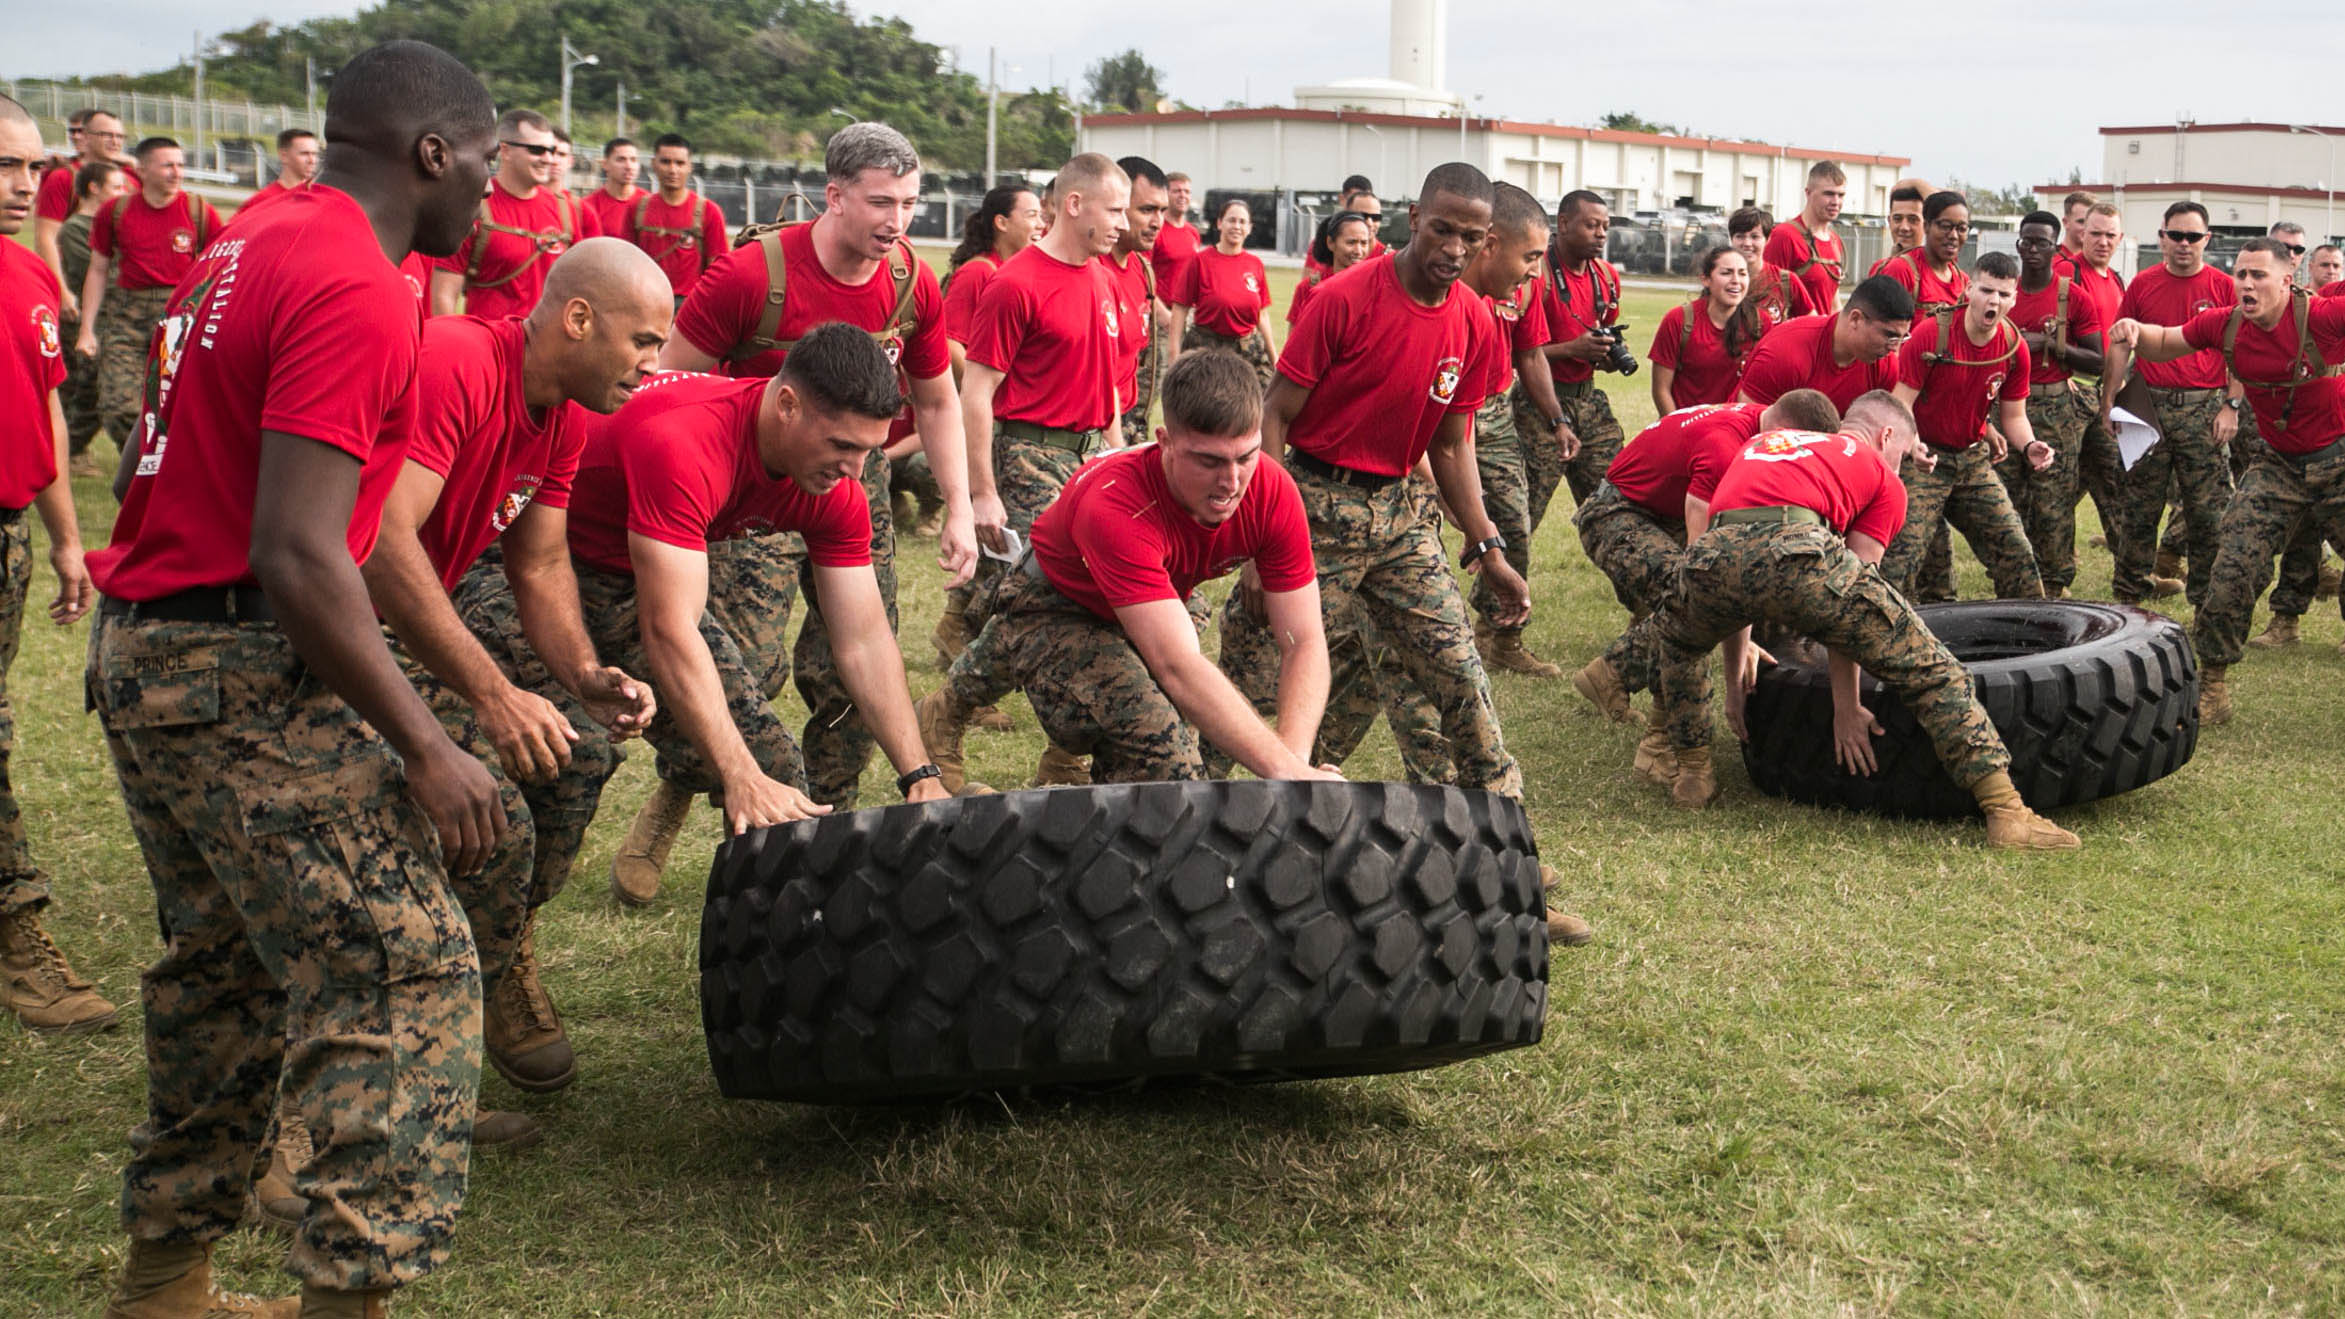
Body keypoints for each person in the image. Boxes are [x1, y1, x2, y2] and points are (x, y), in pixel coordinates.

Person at [86, 41, 501, 1317]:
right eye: (483, 161)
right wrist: (429, 746)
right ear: (431, 154)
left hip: (150, 645)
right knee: (400, 968)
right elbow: (301, 550)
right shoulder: (356, 285)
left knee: (229, 967)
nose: (491, 190)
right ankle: (347, 1297)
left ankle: (166, 1278)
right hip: (234, 657)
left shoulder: (254, 236)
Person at [1215, 161, 1586, 945]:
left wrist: (1486, 547)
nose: (1453, 248)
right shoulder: (1342, 298)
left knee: (1463, 686)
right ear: (1412, 218)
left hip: (1400, 517)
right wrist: (1260, 539)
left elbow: (1452, 447)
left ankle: (1511, 880)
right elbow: (1274, 419)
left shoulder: (1475, 323)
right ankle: (1202, 864)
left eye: (1470, 237)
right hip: (1310, 502)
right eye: (1441, 229)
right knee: (1247, 691)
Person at [629, 121, 976, 895]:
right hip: (742, 479)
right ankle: (686, 787)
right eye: (881, 201)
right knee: (740, 665)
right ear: (834, 194)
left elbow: (936, 399)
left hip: (849, 486)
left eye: (911, 203)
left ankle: (826, 839)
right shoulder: (753, 275)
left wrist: (958, 502)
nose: (898, 220)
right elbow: (664, 387)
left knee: (851, 662)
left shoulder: (910, 281)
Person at [559, 325, 948, 850]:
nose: (854, 471)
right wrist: (737, 775)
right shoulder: (685, 443)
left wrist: (919, 774)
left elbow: (864, 641)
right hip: (538, 560)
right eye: (842, 445)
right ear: (787, 404)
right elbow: (669, 630)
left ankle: (770, 931)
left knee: (775, 771)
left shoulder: (837, 487)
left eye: (868, 451)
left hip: (634, 573)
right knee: (560, 762)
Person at [1640, 392, 2081, 849]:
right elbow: (1849, 604)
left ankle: (1693, 773)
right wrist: (1846, 707)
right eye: (1904, 456)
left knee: (1680, 642)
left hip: (1709, 558)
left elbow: (1739, 562)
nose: (1902, 468)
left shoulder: (1766, 444)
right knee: (1931, 669)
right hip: (1799, 551)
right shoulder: (1882, 478)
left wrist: (1734, 684)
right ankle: (2007, 812)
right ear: (1886, 436)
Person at [919, 350, 1339, 785]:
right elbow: (1177, 667)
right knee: (1165, 758)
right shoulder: (1115, 505)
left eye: (1246, 457)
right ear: (1165, 441)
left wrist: (1295, 762)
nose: (1232, 482)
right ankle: (947, 712)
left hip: (1157, 600)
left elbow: (1303, 640)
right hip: (1054, 602)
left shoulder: (1273, 492)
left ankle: (1069, 775)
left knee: (1158, 717)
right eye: (1209, 461)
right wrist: (1286, 771)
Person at [2108, 238, 2345, 725]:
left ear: (2287, 280)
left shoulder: (2321, 318)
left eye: (2259, 275)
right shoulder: (2225, 322)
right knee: (2232, 565)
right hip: (2277, 464)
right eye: (2240, 274)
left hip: (2338, 457)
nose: (2247, 284)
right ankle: (2211, 685)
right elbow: (2166, 340)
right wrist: (2134, 329)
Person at [960, 152, 1133, 788]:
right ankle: (954, 707)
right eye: (1114, 209)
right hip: (1030, 453)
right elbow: (976, 392)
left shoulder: (1104, 279)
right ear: (1075, 204)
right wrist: (982, 493)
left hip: (1089, 455)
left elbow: (1110, 380)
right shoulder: (1016, 283)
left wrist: (1115, 450)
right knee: (1046, 597)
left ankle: (1063, 759)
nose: (1122, 223)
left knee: (1098, 596)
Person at [1570, 390, 1843, 783]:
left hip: (1658, 513)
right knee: (1694, 607)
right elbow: (1703, 574)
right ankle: (1646, 725)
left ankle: (1618, 684)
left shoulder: (1756, 425)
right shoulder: (1724, 448)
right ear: (1783, 430)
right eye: (1797, 447)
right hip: (1618, 515)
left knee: (1697, 609)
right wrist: (1736, 635)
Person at [0, 96, 106, 1037]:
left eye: (30, 168)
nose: (23, 184)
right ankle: (17, 936)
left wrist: (66, 536)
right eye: (3, 165)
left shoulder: (32, 271)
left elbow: (48, 413)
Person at [1884, 251, 2051, 600]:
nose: (1994, 300)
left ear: (2014, 299)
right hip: (1925, 457)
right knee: (1901, 558)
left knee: (2015, 548)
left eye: (2003, 294)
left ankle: (2029, 632)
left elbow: (2014, 416)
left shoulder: (2013, 346)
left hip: (1972, 460)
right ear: (1969, 290)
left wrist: (2029, 445)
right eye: (1986, 291)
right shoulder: (1932, 334)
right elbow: (1901, 405)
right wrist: (1912, 447)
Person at [2103, 200, 2237, 607]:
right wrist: (2110, 397)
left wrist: (2231, 406)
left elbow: (2241, 350)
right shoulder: (2142, 284)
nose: (2183, 244)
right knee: (2139, 510)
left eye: (2193, 237)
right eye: (2175, 235)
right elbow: (2121, 342)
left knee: (2207, 515)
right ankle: (2130, 599)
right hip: (2148, 406)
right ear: (2161, 237)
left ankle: (2206, 602)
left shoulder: (2224, 287)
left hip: (2204, 409)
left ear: (2207, 240)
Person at [1464, 182, 1573, 679]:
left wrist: (1556, 419)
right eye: (1530, 255)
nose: (1535, 270)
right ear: (1491, 242)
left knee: (1514, 525)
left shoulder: (1524, 286)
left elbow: (1529, 354)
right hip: (1441, 418)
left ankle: (1501, 638)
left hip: (1493, 411)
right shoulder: (1453, 287)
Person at [75, 136, 221, 457]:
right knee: (117, 406)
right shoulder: (115, 212)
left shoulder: (199, 211)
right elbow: (97, 270)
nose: (176, 172)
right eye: (167, 165)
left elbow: (219, 270)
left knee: (176, 403)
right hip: (127, 314)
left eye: (180, 164)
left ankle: (168, 466)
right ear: (141, 169)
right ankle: (148, 462)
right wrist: (87, 329)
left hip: (180, 315)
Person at [1997, 211, 2106, 599]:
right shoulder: (2003, 293)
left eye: (2041, 242)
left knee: (2054, 501)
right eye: (2026, 241)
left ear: (2056, 247)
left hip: (2055, 405)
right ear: (2018, 244)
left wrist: (2050, 345)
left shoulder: (2071, 296)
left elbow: (2098, 360)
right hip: (2006, 406)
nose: (2032, 250)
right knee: (2007, 498)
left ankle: (2055, 584)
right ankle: (2013, 581)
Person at [431, 108, 585, 319]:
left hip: (547, 348)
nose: (548, 159)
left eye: (551, 150)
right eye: (536, 150)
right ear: (505, 151)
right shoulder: (473, 207)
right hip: (491, 346)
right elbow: (443, 295)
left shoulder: (564, 210)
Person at [1525, 190, 1627, 508]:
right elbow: (1521, 353)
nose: (1600, 234)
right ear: (1564, 223)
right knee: (1522, 511)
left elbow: (1603, 332)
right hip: (1539, 402)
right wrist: (1573, 349)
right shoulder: (1536, 273)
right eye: (1592, 225)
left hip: (1588, 399)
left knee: (1616, 502)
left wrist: (1605, 355)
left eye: (1605, 227)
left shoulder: (1606, 276)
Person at [2054, 201, 2139, 580]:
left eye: (2110, 235)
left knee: (2116, 484)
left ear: (2120, 239)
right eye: (2096, 233)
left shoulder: (2117, 280)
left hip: (2105, 398)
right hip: (2069, 397)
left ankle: (2134, 575)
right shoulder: (2066, 272)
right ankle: (2054, 578)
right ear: (2081, 233)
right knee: (2057, 490)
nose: (2103, 241)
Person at [1737, 274, 1916, 411]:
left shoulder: (1884, 363)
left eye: (1902, 338)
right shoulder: (1785, 355)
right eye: (1890, 336)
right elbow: (1746, 421)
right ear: (1856, 319)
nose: (1894, 348)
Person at [55, 159, 127, 477]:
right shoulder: (75, 228)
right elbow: (100, 272)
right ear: (94, 189)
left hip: (112, 319)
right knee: (80, 389)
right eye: (116, 187)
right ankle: (65, 449)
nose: (123, 193)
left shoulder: (113, 225)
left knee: (91, 389)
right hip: (82, 322)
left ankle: (70, 449)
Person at [939, 184, 1042, 383]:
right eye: (1031, 215)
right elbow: (949, 343)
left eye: (1041, 216)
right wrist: (982, 395)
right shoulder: (978, 272)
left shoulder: (1016, 270)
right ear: (1001, 223)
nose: (1040, 225)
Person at [1169, 196, 1274, 387]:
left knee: (1258, 406)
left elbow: (1262, 316)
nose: (1236, 226)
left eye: (1242, 222)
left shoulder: (1255, 264)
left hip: (1247, 349)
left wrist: (1274, 358)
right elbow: (1180, 309)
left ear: (1249, 228)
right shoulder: (1200, 261)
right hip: (1207, 349)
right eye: (1231, 220)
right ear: (1219, 224)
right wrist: (1174, 356)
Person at [32, 107, 127, 313]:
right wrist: (61, 291)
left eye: (119, 136)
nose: (115, 141)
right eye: (106, 135)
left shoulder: (131, 177)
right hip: (77, 282)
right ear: (86, 137)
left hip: (119, 292)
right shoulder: (65, 177)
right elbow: (46, 237)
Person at [1106, 156, 1171, 447]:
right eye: (1147, 210)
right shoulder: (1090, 269)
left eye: (1162, 211)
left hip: (1128, 420)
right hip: (1093, 428)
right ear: (1118, 206)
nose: (1157, 222)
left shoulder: (1141, 269)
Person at [621, 133, 730, 302]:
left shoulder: (709, 211)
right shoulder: (637, 209)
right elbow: (626, 262)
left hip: (690, 305)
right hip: (646, 302)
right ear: (653, 164)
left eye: (680, 163)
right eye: (665, 162)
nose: (672, 170)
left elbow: (718, 271)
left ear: (689, 167)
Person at [1649, 247, 1757, 411]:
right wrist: (1677, 430)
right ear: (1706, 279)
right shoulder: (1678, 320)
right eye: (1726, 273)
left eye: (1742, 273)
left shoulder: (1759, 324)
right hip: (1688, 427)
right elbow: (1661, 390)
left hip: (1737, 428)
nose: (1736, 280)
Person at [1763, 160, 1848, 314]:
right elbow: (1765, 297)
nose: (1836, 201)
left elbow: (1833, 303)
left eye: (1840, 195)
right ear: (1808, 193)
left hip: (1823, 335)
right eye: (1828, 194)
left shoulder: (1835, 241)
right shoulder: (1785, 236)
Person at [1879, 191, 1971, 315]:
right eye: (1945, 226)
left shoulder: (1963, 281)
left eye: (1962, 229)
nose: (1953, 235)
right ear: (1926, 226)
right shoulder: (1902, 270)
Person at [1727, 207, 1814, 330]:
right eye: (1740, 236)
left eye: (1755, 237)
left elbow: (1811, 324)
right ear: (1731, 240)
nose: (1747, 243)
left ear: (1767, 240)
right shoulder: (1720, 279)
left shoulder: (1786, 281)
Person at [1290, 211, 1379, 330]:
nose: (1358, 251)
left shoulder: (1375, 289)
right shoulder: (1308, 287)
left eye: (1363, 243)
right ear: (1331, 243)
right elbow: (1294, 336)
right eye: (1351, 242)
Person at [229, 129, 322, 229]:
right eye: (304, 154)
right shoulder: (263, 200)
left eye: (315, 154)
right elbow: (231, 233)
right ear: (284, 156)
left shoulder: (319, 197)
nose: (312, 160)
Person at [1300, 182, 1386, 287]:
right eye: (1362, 216)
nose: (1369, 222)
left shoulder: (1389, 263)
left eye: (1376, 217)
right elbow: (1306, 289)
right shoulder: (1325, 257)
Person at [1150, 170, 1201, 295]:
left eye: (1187, 191)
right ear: (1165, 194)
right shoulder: (1154, 230)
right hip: (1163, 309)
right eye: (1177, 191)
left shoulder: (1193, 233)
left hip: (1188, 308)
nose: (1183, 195)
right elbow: (1142, 274)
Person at [1867, 179, 1931, 276]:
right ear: (1889, 221)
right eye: (1897, 219)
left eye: (1913, 220)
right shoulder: (1879, 268)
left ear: (1926, 224)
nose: (1904, 227)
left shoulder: (1938, 271)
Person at [583, 136, 642, 238]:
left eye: (633, 160)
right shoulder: (588, 206)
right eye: (621, 160)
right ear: (605, 164)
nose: (629, 166)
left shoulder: (649, 204)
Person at [2056, 189, 2096, 264]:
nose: (2088, 228)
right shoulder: (2050, 263)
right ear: (2066, 222)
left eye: (2092, 223)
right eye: (2081, 222)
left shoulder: (2096, 263)